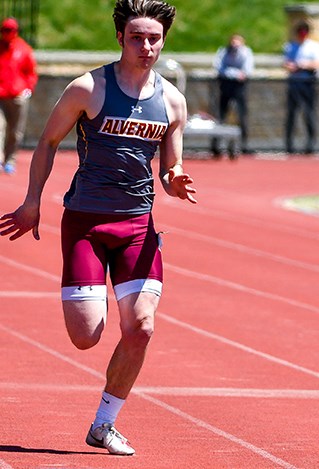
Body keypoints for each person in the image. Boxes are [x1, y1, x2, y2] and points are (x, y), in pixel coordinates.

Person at [0, 0, 196, 456]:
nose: (146, 46)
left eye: (154, 38)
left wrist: (175, 179)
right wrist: (32, 202)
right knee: (86, 335)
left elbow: (171, 168)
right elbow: (48, 142)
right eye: (136, 37)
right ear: (120, 38)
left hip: (138, 226)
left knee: (141, 328)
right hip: (87, 223)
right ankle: (86, 292)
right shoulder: (87, 88)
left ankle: (104, 424)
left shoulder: (172, 101)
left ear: (164, 39)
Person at [0, 17, 37, 175]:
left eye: (10, 30)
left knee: (15, 131)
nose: (7, 33)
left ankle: (10, 159)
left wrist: (28, 89)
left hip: (17, 95)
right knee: (0, 126)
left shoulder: (24, 49)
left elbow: (31, 72)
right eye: (4, 30)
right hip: (1, 94)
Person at [282, 20, 319, 154]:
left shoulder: (314, 47)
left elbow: (318, 63)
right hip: (294, 82)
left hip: (308, 82)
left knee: (309, 113)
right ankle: (289, 144)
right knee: (291, 114)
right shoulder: (291, 46)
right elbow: (285, 63)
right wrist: (292, 66)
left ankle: (310, 144)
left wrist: (303, 65)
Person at [212, 33, 253, 157]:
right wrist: (235, 74)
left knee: (241, 115)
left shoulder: (246, 53)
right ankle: (216, 146)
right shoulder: (223, 52)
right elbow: (219, 68)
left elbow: (246, 71)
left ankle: (243, 145)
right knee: (221, 116)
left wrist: (232, 73)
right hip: (225, 86)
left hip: (239, 88)